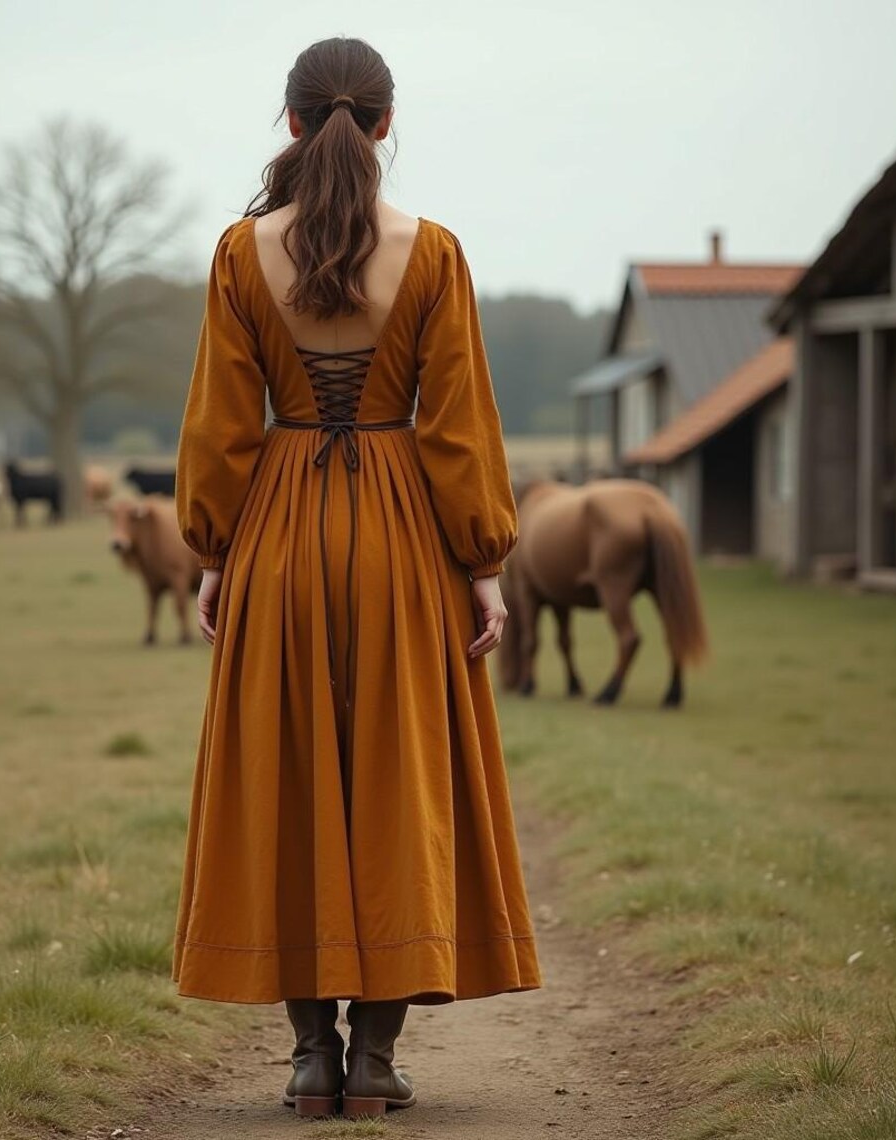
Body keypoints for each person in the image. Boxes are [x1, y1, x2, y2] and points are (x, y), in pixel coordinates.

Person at [174, 36, 541, 1120]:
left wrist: (212, 554)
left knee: (284, 776)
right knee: (397, 781)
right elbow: (461, 430)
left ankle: (307, 1059)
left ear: (291, 125)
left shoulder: (243, 255)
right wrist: (483, 565)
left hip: (280, 541)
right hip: (400, 545)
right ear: (384, 125)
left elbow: (220, 432)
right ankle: (376, 1060)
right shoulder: (433, 254)